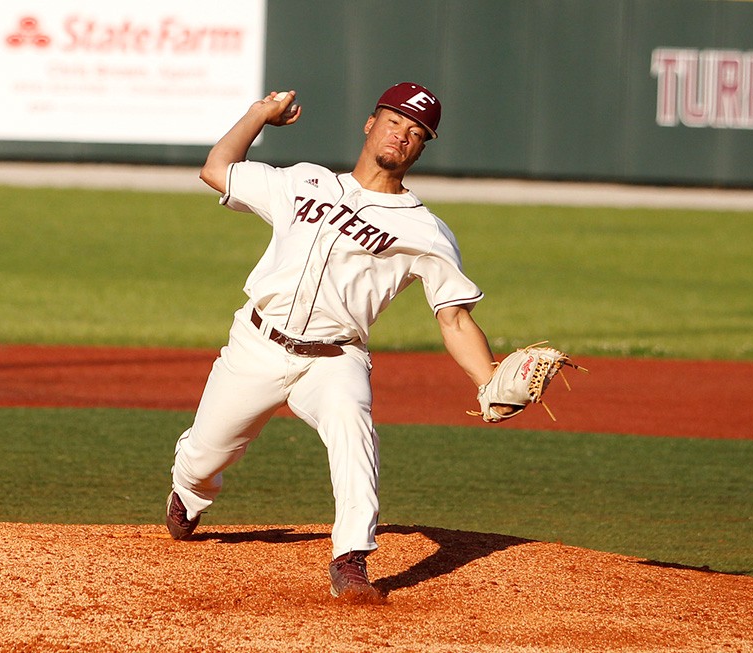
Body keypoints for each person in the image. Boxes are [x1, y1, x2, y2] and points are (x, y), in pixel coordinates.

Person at [167, 82, 508, 600]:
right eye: (395, 121)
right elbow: (217, 169)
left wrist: (487, 381)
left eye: (417, 133)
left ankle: (351, 558)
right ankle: (190, 495)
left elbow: (455, 319)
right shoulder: (305, 182)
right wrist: (259, 114)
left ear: (422, 148)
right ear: (370, 124)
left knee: (354, 428)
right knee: (202, 458)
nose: (403, 135)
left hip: (335, 358)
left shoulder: (425, 231)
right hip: (257, 345)